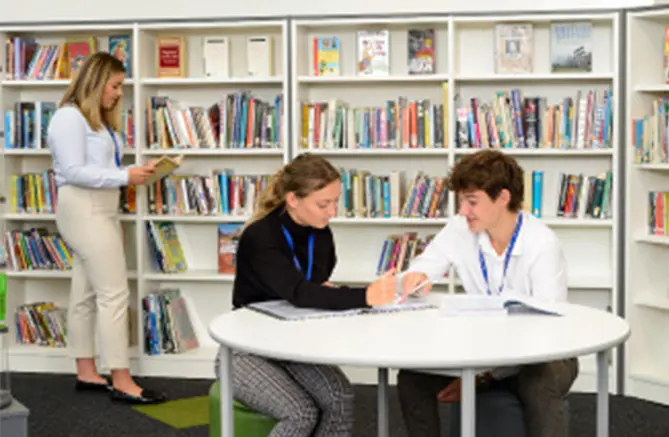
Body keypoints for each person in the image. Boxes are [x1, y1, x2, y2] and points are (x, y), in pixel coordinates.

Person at [397, 149, 579, 437]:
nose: (462, 211)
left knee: (538, 383)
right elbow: (422, 267)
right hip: (480, 349)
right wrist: (415, 277)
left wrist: (483, 377)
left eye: (472, 202)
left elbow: (548, 331)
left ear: (503, 198)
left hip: (539, 356)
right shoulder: (461, 229)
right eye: (462, 201)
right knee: (412, 380)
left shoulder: (542, 244)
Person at [217, 153, 399, 437]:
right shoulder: (260, 236)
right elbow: (302, 293)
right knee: (300, 413)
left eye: (336, 201)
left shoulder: (321, 234)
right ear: (293, 199)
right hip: (247, 350)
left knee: (340, 398)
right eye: (323, 204)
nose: (333, 212)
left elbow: (315, 289)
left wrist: (322, 293)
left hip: (294, 345)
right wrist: (367, 296)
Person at [48, 52, 165, 404]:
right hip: (82, 207)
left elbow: (99, 167)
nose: (118, 94)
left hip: (101, 206)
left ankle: (87, 371)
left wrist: (137, 171)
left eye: (121, 87)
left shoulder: (97, 122)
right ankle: (123, 379)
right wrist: (124, 175)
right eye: (114, 86)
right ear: (96, 81)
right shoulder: (69, 118)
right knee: (114, 294)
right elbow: (72, 170)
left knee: (85, 293)